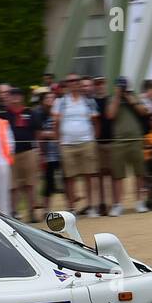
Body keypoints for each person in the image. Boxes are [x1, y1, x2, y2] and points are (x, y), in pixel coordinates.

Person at [52, 73, 100, 215]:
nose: (73, 83)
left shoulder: (88, 101)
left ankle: (91, 206)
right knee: (69, 177)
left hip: (87, 141)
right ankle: (72, 208)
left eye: (76, 80)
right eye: (70, 81)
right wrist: (58, 141)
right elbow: (56, 123)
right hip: (67, 144)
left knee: (89, 175)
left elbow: (96, 121)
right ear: (66, 84)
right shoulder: (60, 102)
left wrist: (94, 138)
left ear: (79, 83)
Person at [107, 77, 152, 213]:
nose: (122, 88)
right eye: (120, 86)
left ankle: (139, 202)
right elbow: (110, 115)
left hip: (136, 140)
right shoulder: (112, 99)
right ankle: (118, 205)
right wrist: (117, 97)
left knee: (139, 173)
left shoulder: (134, 97)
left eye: (124, 86)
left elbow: (144, 112)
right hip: (118, 141)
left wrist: (130, 98)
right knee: (118, 175)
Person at [0, 86, 41, 221]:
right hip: (10, 154)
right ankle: (14, 213)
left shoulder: (29, 112)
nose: (15, 98)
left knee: (30, 184)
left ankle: (32, 212)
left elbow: (37, 131)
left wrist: (38, 149)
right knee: (13, 185)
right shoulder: (3, 114)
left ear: (22, 97)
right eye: (12, 95)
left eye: (18, 95)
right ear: (9, 97)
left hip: (28, 151)